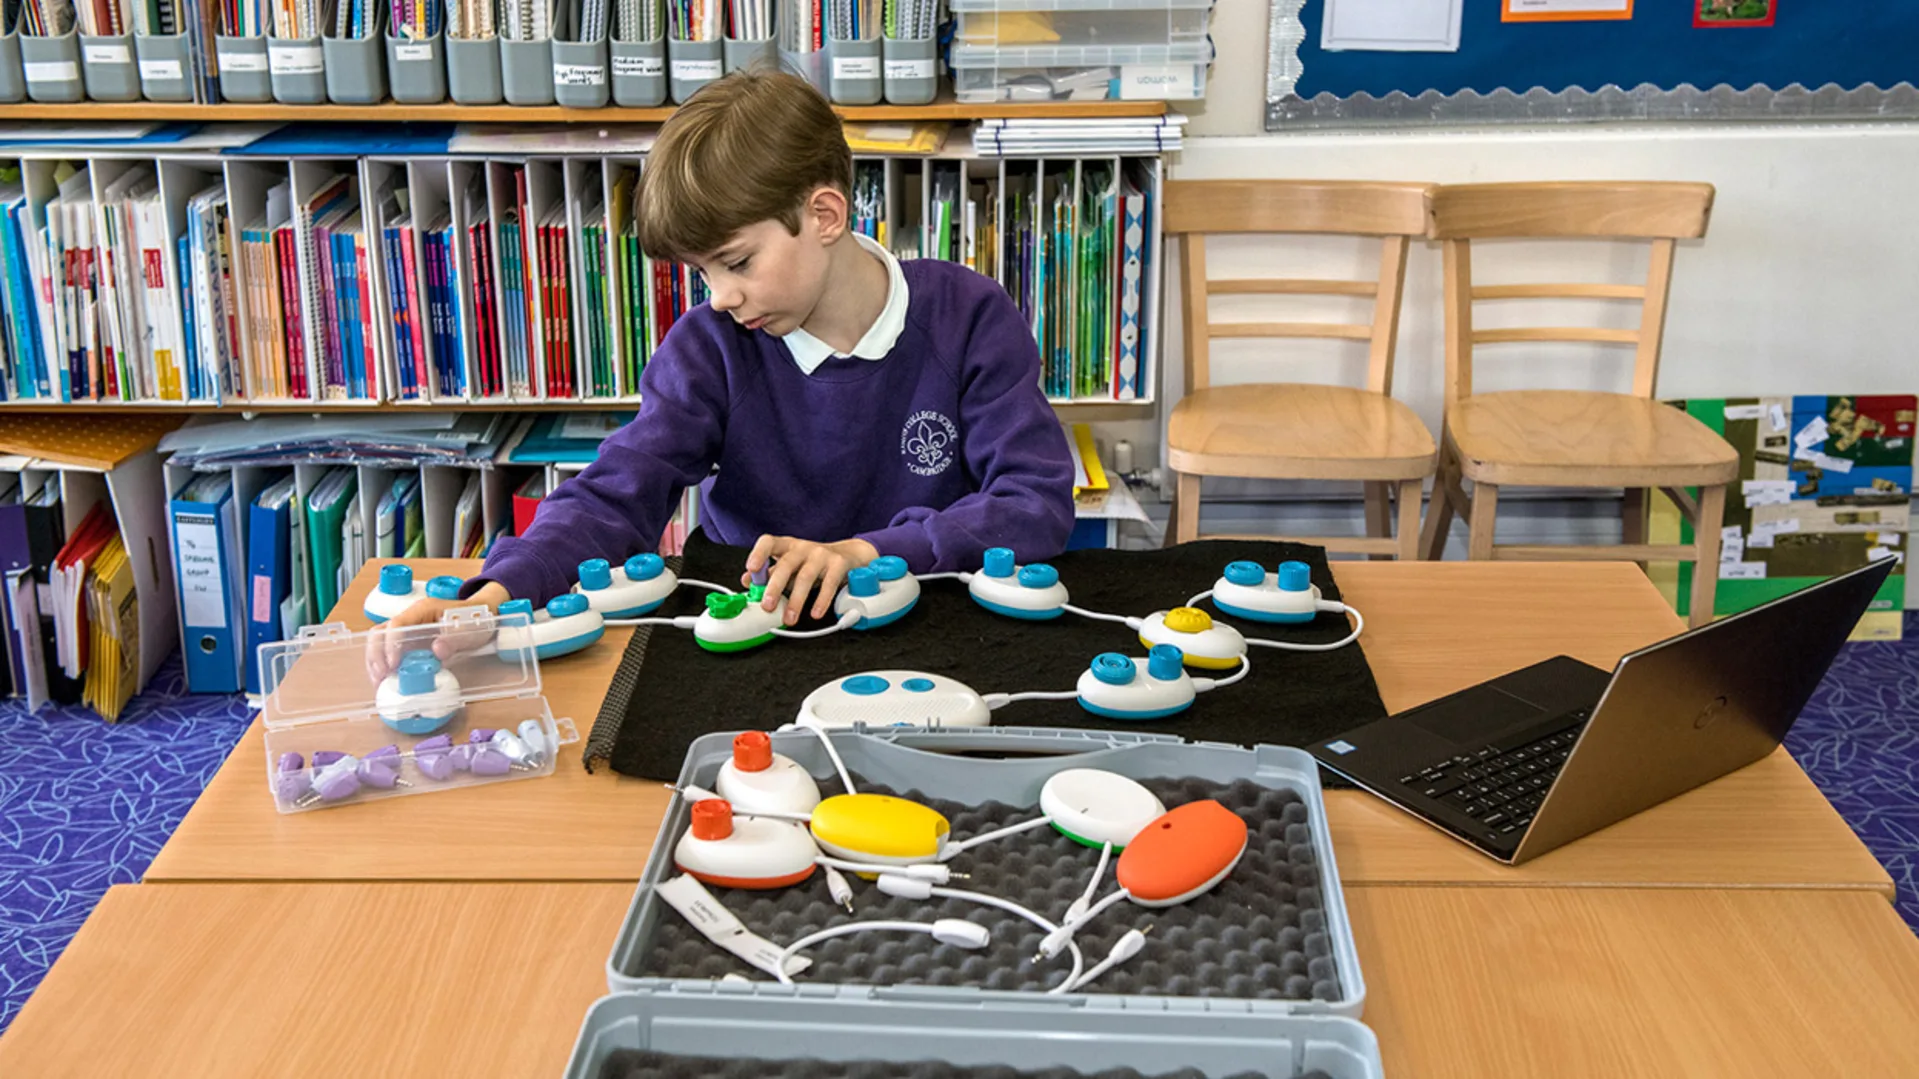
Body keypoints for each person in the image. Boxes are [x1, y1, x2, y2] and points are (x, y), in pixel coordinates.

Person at [373, 69, 1073, 669]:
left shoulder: (967, 314)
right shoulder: (709, 344)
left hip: (932, 626)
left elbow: (1033, 502)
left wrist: (866, 552)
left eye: (736, 262)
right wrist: (494, 593)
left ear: (823, 213)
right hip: (752, 634)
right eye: (702, 270)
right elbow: (617, 492)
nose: (721, 295)